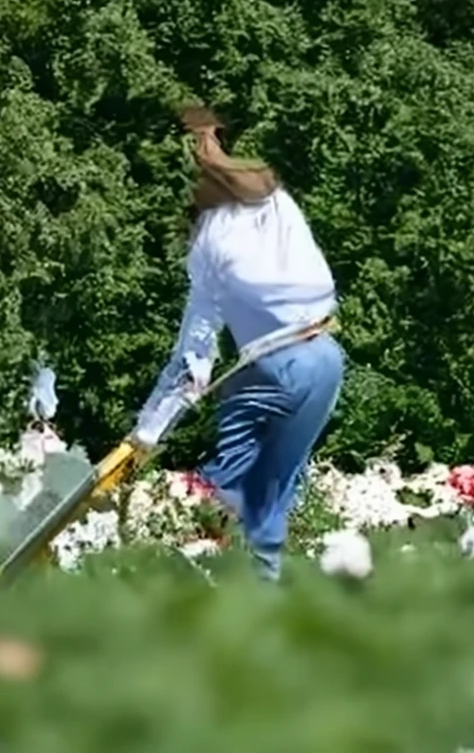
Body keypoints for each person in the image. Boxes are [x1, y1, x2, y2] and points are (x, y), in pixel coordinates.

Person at [132, 106, 344, 581]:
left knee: (225, 480)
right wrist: (207, 139)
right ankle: (263, 601)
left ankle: (196, 562)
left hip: (277, 365)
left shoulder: (209, 243)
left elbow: (194, 361)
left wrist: (146, 433)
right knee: (271, 495)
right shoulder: (277, 202)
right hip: (327, 357)